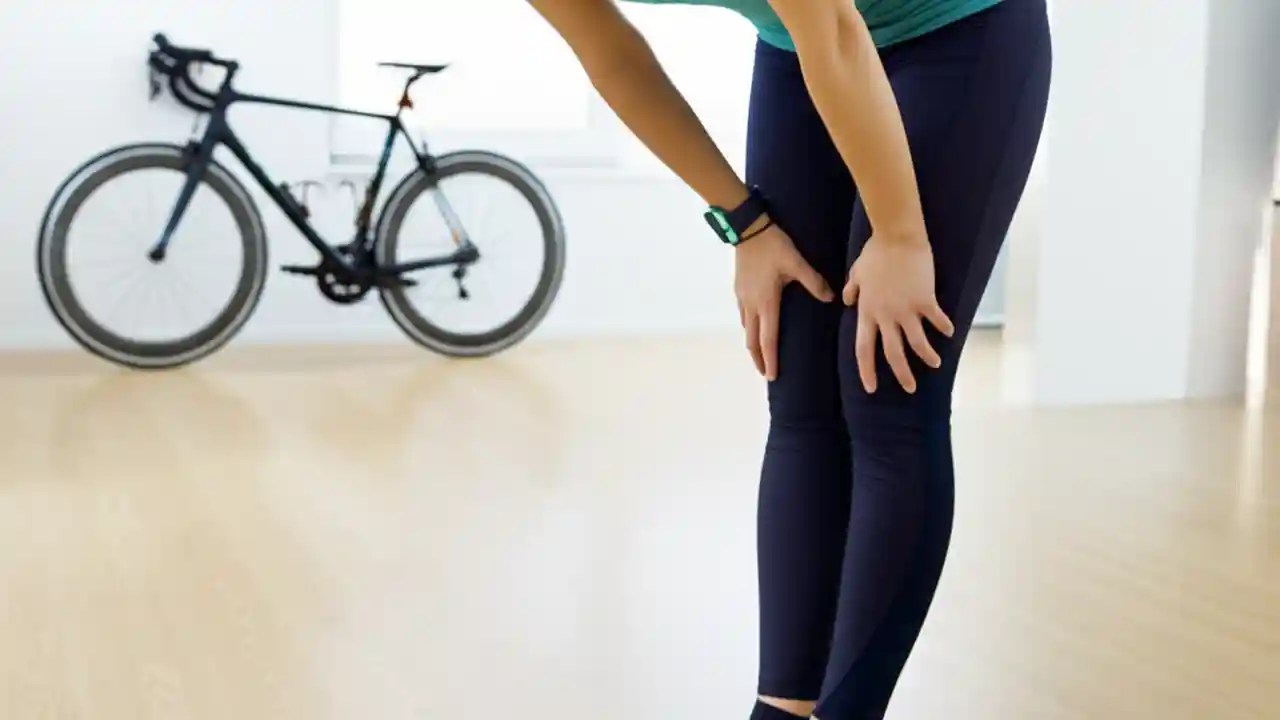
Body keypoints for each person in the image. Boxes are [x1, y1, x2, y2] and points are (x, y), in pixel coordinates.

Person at [528, 0, 1051, 718]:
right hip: (798, 44)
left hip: (954, 29)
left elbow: (834, 27)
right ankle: (779, 710)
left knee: (889, 387)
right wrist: (745, 224)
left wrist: (901, 235)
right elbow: (609, 53)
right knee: (799, 392)